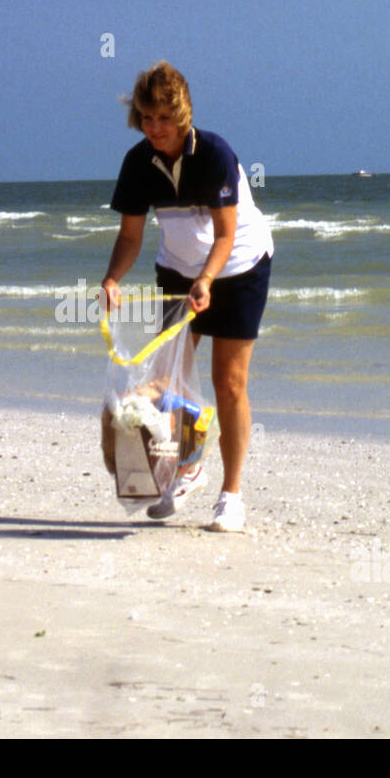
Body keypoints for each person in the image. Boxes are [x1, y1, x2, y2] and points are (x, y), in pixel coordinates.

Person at [100, 62, 274, 533]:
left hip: (238, 266)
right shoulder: (138, 164)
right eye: (146, 118)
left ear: (182, 115)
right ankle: (190, 462)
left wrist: (208, 281)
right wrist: (113, 278)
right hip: (177, 269)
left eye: (163, 118)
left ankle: (231, 495)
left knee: (228, 382)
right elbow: (131, 237)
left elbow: (225, 235)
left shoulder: (214, 153)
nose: (155, 129)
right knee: (165, 378)